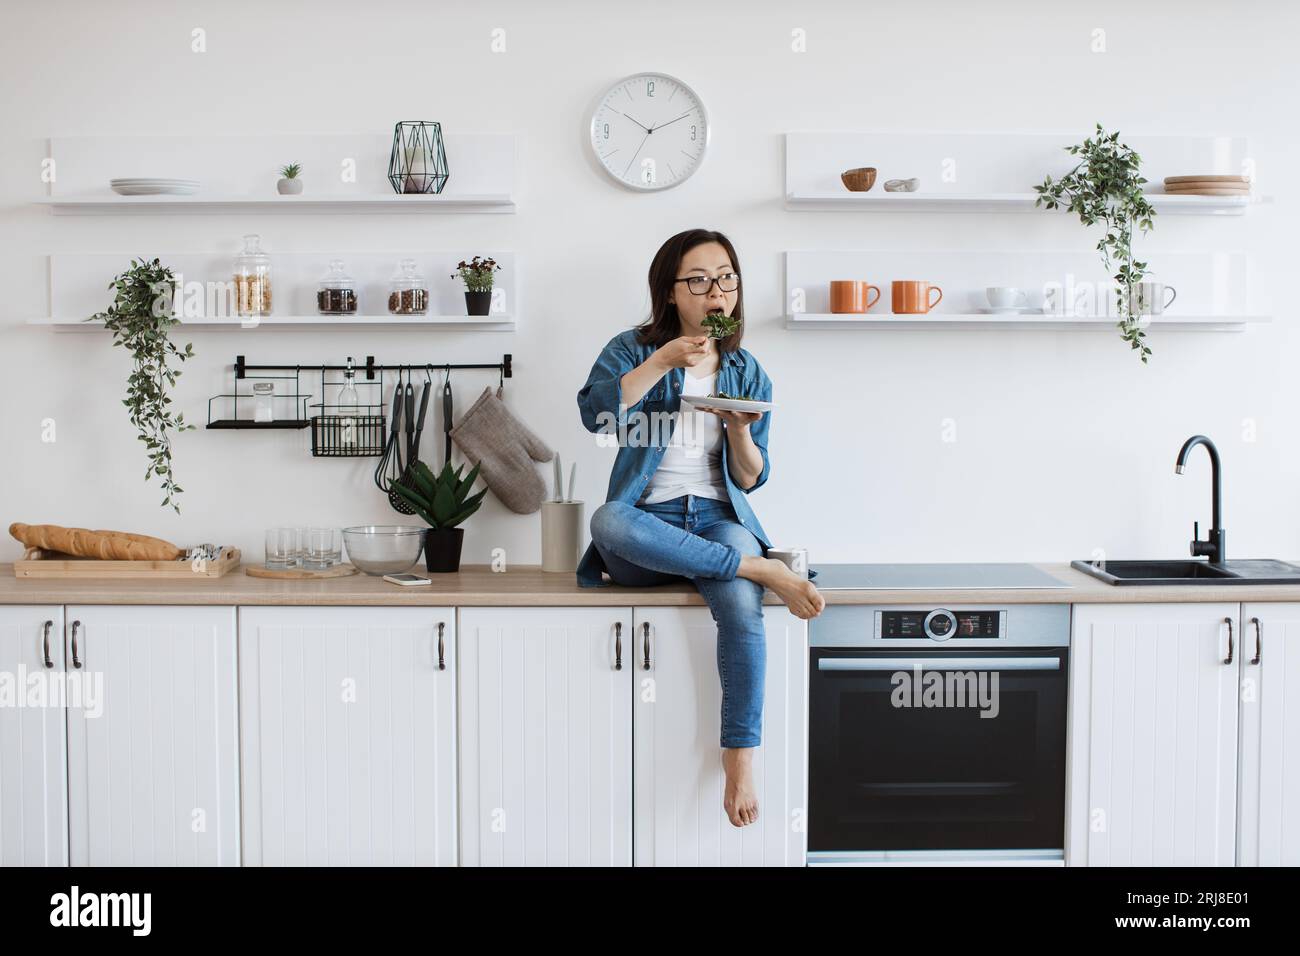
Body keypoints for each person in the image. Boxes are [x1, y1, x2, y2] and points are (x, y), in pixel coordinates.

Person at [575, 228, 825, 828]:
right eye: (701, 280)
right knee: (607, 519)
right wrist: (661, 361)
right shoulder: (631, 349)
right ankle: (759, 566)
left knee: (740, 609)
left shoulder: (747, 371)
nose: (718, 291)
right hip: (646, 525)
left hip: (719, 519)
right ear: (671, 292)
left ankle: (741, 754)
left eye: (727, 278)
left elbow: (752, 477)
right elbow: (596, 414)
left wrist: (739, 429)